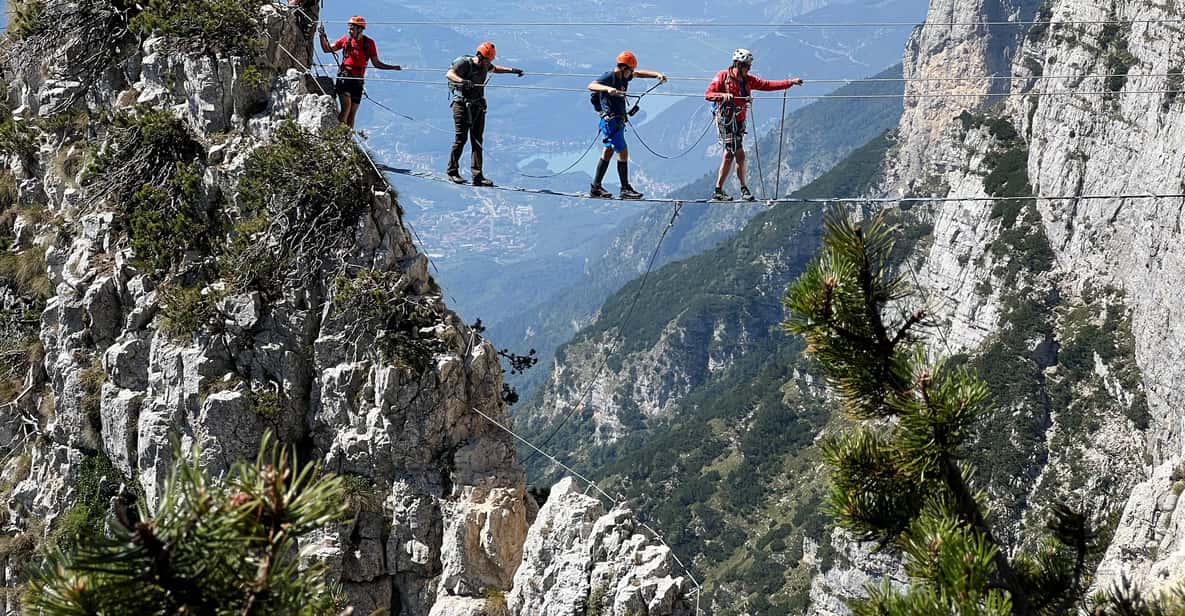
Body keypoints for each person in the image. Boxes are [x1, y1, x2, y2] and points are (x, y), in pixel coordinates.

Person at [704, 49, 803, 201]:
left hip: (739, 121)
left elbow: (767, 85)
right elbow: (708, 94)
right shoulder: (722, 76)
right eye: (747, 66)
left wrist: (789, 83)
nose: (749, 69)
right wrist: (723, 95)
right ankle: (743, 189)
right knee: (740, 155)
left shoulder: (747, 80)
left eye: (749, 66)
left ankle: (719, 190)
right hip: (726, 120)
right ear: (738, 64)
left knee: (729, 154)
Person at [587, 51, 666, 199]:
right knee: (623, 152)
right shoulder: (609, 76)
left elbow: (638, 74)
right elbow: (591, 85)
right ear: (623, 68)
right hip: (610, 120)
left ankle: (596, 187)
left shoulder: (624, 76)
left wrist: (656, 75)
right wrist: (607, 88)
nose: (632, 73)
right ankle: (624, 189)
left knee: (608, 150)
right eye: (630, 70)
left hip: (617, 120)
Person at [445, 41, 524, 186]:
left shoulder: (485, 65)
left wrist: (513, 70)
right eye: (488, 60)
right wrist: (463, 81)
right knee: (461, 139)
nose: (488, 63)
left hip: (477, 105)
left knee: (477, 140)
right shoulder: (464, 63)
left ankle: (477, 176)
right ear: (480, 56)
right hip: (461, 105)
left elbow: (495, 69)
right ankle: (452, 172)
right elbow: (449, 74)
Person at [318, 16, 401, 129]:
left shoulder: (368, 44)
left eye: (352, 29)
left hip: (358, 81)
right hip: (345, 77)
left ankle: (346, 139)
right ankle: (338, 137)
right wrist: (321, 36)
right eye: (349, 28)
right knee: (346, 108)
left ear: (360, 29)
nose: (350, 31)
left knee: (352, 114)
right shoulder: (346, 40)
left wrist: (392, 67)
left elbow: (376, 63)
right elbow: (327, 49)